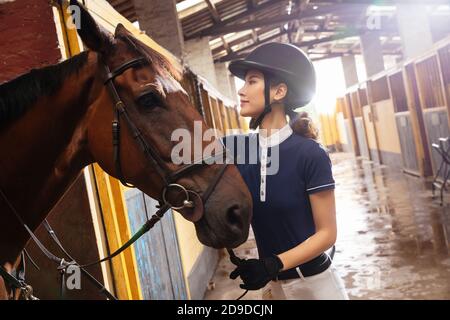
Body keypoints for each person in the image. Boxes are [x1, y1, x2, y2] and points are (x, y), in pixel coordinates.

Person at [223, 42, 349, 300]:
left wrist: (273, 263)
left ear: (279, 91)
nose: (241, 90)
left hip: (315, 287)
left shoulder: (310, 154)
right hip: (273, 289)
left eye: (252, 81)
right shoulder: (241, 150)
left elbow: (327, 233)